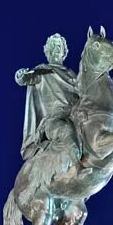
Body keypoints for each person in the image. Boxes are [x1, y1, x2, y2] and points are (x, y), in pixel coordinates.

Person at [15, 34, 79, 164]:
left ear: (64, 52)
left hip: (76, 116)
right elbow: (26, 79)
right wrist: (20, 76)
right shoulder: (42, 71)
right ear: (48, 51)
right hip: (54, 121)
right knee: (68, 131)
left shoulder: (72, 74)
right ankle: (77, 168)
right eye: (53, 46)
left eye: (59, 47)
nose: (56, 49)